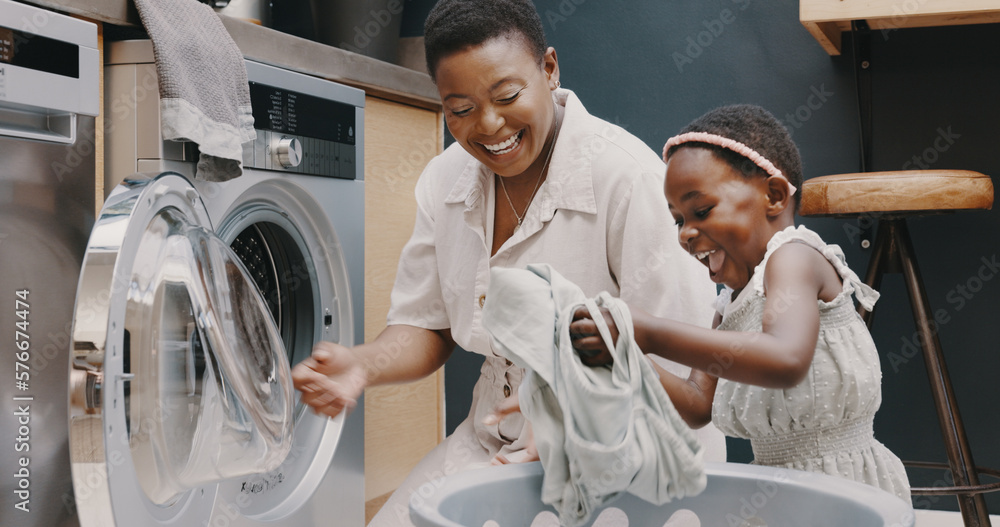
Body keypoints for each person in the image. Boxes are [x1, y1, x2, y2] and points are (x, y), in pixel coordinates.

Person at [291, 0, 725, 524]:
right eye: (461, 108)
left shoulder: (628, 180)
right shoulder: (443, 180)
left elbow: (686, 374)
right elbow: (428, 325)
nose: (490, 125)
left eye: (507, 96)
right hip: (494, 439)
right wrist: (363, 364)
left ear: (549, 68)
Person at [571, 104, 911, 501]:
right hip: (777, 494)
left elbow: (785, 359)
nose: (685, 234)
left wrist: (646, 330)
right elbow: (698, 405)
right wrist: (625, 353)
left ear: (774, 195)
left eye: (701, 211)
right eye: (678, 220)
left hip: (843, 489)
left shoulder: (794, 257)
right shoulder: (729, 306)